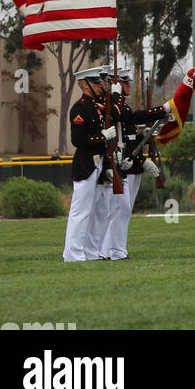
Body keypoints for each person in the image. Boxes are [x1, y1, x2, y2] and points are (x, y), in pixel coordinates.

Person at [99, 68, 166, 260]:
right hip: (114, 161)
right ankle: (108, 250)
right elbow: (124, 119)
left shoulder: (121, 105)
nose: (128, 86)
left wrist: (141, 153)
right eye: (124, 83)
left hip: (127, 160)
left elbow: (129, 131)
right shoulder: (113, 105)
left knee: (122, 209)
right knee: (114, 210)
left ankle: (114, 249)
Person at [63, 66, 117, 262]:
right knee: (81, 211)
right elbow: (78, 139)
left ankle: (91, 252)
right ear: (84, 85)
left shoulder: (97, 106)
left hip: (100, 162)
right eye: (96, 82)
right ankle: (72, 253)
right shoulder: (80, 108)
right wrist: (101, 136)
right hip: (86, 164)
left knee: (99, 210)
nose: (100, 85)